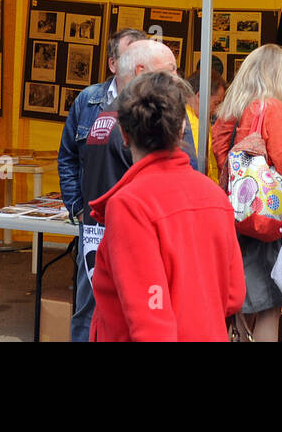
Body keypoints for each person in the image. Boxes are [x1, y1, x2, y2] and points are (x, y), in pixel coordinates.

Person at [87, 71, 245, 341]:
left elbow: (150, 321)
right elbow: (233, 295)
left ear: (124, 135)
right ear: (182, 128)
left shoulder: (130, 204)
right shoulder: (214, 196)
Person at [73, 37, 181, 340]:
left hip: (102, 236)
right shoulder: (133, 121)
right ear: (141, 71)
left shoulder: (108, 114)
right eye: (169, 71)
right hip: (127, 242)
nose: (175, 78)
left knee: (94, 314)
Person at [211, 43, 282, 343]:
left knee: (237, 306)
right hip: (264, 219)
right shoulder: (274, 109)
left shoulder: (229, 109)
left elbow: (222, 157)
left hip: (234, 213)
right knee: (268, 307)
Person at [59, 27, 145, 342]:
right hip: (95, 223)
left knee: (134, 304)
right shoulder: (88, 101)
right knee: (89, 304)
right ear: (113, 63)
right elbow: (67, 155)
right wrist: (78, 206)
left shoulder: (153, 103)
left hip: (137, 223)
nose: (139, 63)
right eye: (131, 54)